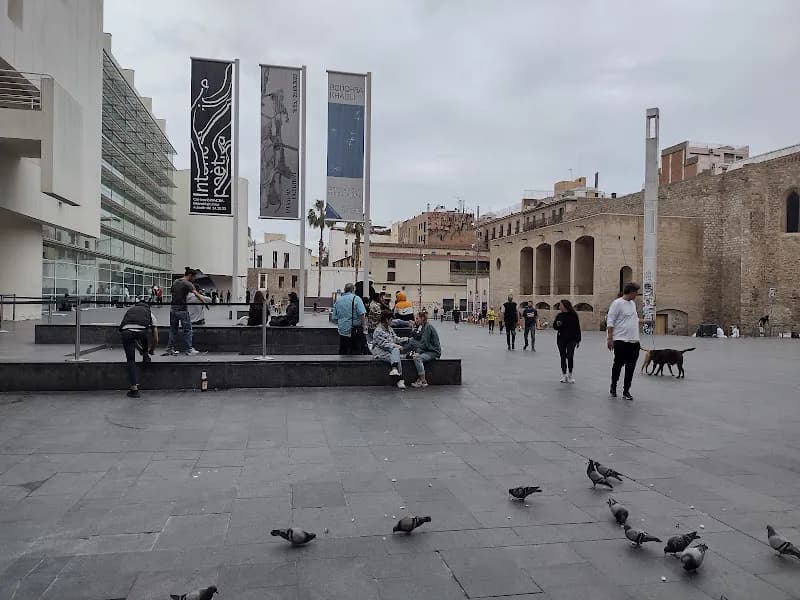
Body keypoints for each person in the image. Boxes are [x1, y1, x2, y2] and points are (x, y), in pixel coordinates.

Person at [607, 282, 644, 401]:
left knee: (631, 367)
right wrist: (610, 338)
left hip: (634, 341)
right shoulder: (617, 303)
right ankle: (613, 386)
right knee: (618, 364)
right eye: (636, 292)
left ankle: (626, 391)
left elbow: (634, 319)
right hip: (621, 340)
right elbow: (610, 320)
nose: (637, 295)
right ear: (631, 292)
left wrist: (645, 321)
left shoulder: (632, 304)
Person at [118, 298, 158, 398]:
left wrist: (139, 349)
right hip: (141, 332)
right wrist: (151, 350)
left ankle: (134, 389)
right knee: (144, 334)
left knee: (131, 360)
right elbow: (155, 338)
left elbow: (128, 330)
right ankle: (145, 357)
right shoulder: (150, 314)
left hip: (126, 332)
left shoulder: (130, 310)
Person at [166, 267, 203, 356]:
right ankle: (189, 349)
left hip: (173, 309)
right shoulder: (188, 284)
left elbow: (173, 293)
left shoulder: (175, 282)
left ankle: (170, 349)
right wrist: (204, 301)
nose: (194, 279)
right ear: (190, 275)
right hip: (182, 309)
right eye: (194, 277)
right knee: (187, 330)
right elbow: (196, 294)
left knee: (173, 330)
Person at [404, 311, 441, 388]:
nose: (416, 320)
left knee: (417, 358)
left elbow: (425, 342)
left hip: (433, 351)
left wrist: (418, 352)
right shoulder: (423, 326)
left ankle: (423, 380)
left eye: (417, 318)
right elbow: (417, 337)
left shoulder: (428, 327)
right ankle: (404, 351)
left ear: (422, 318)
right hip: (428, 349)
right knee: (412, 341)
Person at [371, 310, 407, 389]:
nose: (392, 321)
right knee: (396, 353)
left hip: (390, 350)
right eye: (391, 319)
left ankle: (394, 369)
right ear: (386, 320)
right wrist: (396, 346)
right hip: (380, 352)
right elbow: (383, 345)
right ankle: (399, 378)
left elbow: (396, 338)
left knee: (395, 352)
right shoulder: (378, 331)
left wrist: (407, 339)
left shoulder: (389, 328)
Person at [332, 283, 367, 355]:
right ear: (353, 290)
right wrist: (364, 326)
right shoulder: (356, 298)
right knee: (355, 351)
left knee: (343, 350)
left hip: (342, 330)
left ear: (345, 290)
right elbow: (362, 314)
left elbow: (334, 317)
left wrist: (343, 322)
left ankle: (342, 365)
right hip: (355, 329)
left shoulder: (338, 300)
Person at [553, 299, 581, 383]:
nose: (559, 306)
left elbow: (577, 328)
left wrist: (578, 339)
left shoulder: (574, 315)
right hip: (561, 339)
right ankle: (564, 375)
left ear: (565, 306)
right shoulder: (559, 315)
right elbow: (554, 327)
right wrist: (557, 325)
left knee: (570, 356)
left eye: (560, 305)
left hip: (572, 339)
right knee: (562, 356)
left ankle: (570, 374)